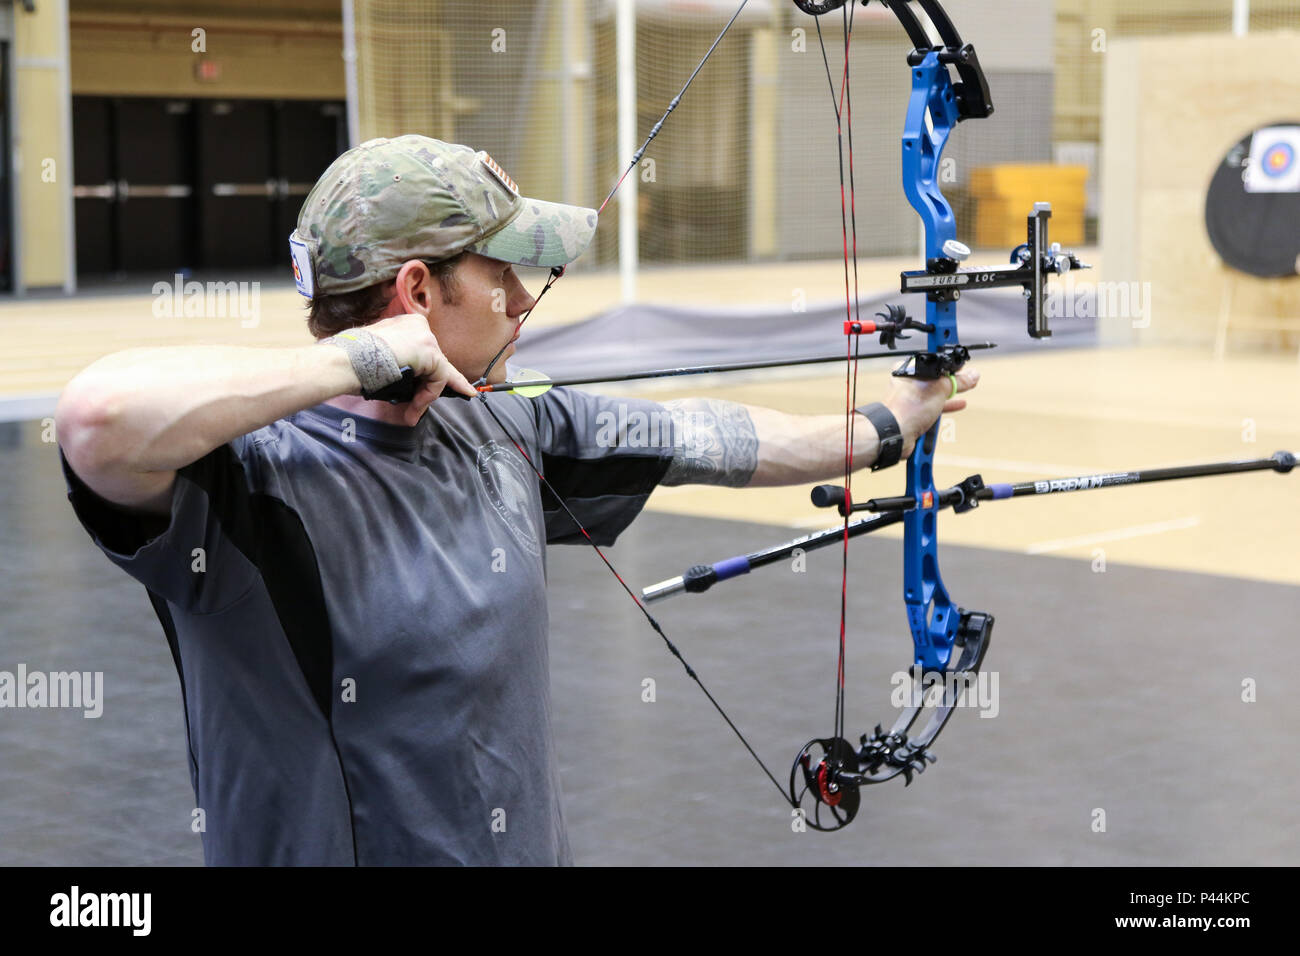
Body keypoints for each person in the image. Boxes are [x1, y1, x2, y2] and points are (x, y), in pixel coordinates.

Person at [55, 135, 978, 865]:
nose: (524, 296)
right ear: (418, 290)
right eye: (501, 272)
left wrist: (889, 426)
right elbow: (96, 419)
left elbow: (712, 436)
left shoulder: (501, 422)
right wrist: (363, 359)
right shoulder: (246, 481)